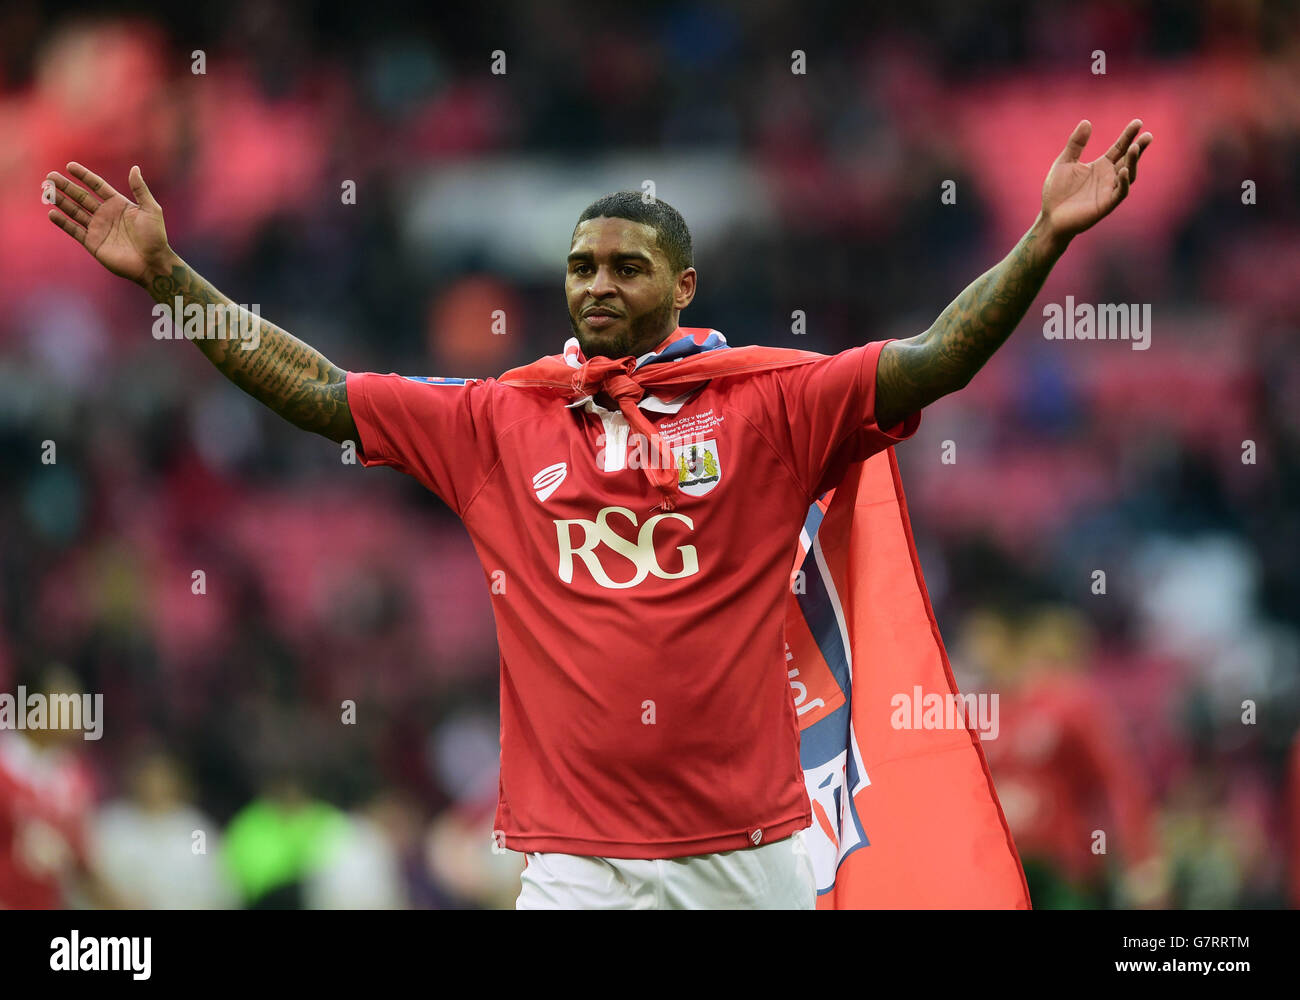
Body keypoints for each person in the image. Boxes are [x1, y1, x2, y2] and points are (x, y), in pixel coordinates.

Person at [45, 118, 1152, 908]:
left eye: (626, 265)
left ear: (684, 287)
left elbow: (935, 359)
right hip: (574, 864)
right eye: (579, 266)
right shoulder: (498, 418)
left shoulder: (770, 402)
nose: (595, 283)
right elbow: (320, 392)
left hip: (745, 853)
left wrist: (1043, 241)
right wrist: (169, 279)